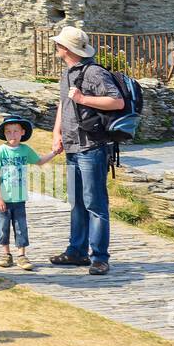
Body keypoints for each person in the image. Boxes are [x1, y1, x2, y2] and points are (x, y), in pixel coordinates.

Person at [48, 26, 124, 275]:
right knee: (76, 202)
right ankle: (76, 252)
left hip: (92, 147)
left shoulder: (95, 73)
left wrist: (83, 99)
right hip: (72, 145)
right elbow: (63, 104)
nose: (56, 47)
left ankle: (100, 257)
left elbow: (117, 101)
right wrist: (57, 133)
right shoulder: (68, 73)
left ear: (67, 49)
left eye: (58, 45)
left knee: (95, 204)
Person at [0, 114, 56, 270]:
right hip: (3, 198)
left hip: (19, 199)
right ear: (4, 134)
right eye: (8, 132)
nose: (12, 135)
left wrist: (54, 152)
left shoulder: (25, 150)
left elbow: (39, 161)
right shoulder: (0, 151)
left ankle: (21, 255)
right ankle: (6, 254)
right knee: (3, 226)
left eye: (16, 131)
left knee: (21, 226)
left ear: (22, 132)